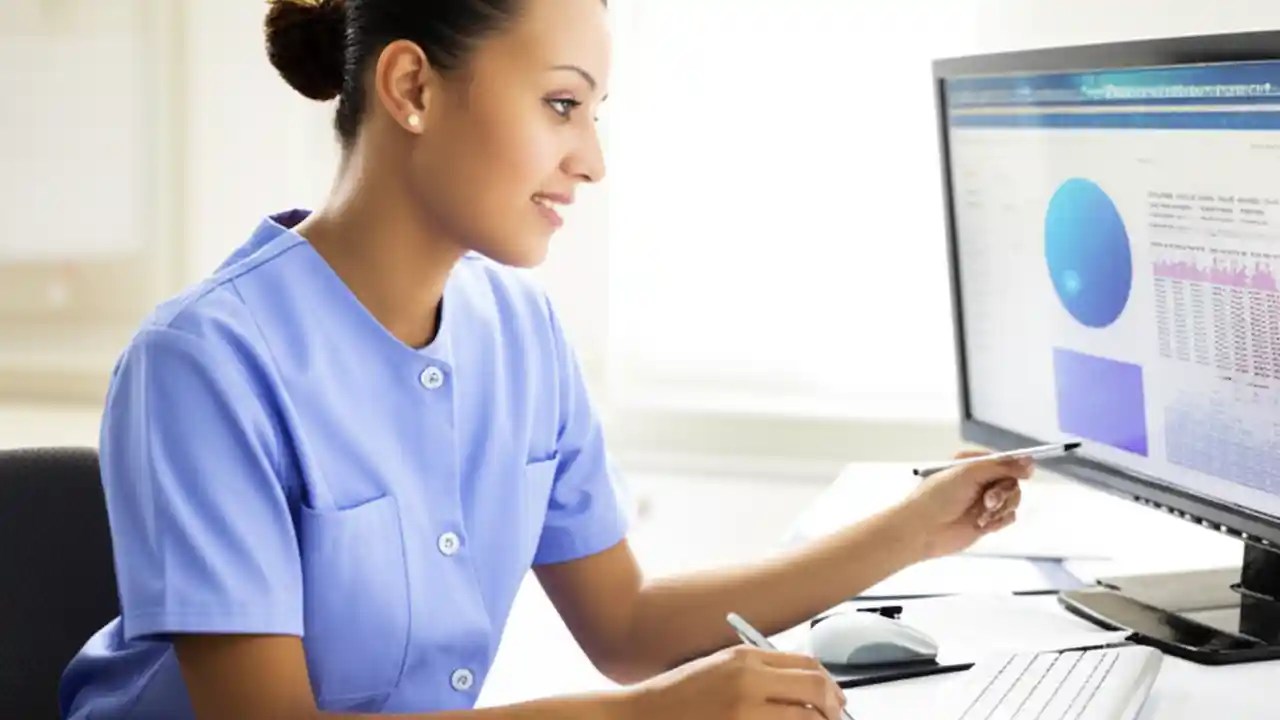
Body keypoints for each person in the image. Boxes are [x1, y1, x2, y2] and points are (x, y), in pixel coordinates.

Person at [57, 1, 1032, 718]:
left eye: (594, 112)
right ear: (412, 89)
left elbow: (628, 627)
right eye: (562, 104)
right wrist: (647, 718)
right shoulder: (202, 365)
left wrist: (913, 529)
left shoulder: (520, 333)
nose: (592, 160)